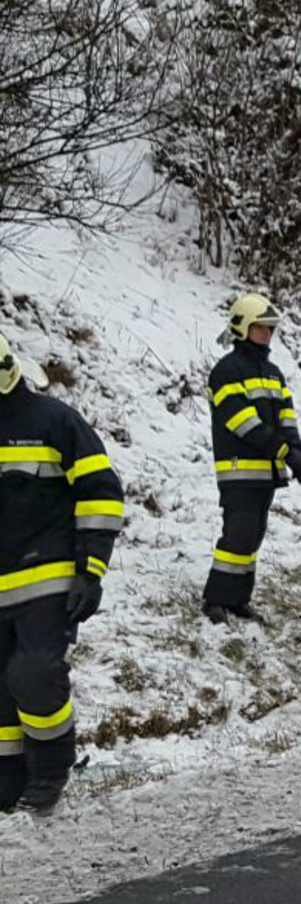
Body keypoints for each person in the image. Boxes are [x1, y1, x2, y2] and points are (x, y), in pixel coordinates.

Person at [0, 333, 124, 815]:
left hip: (46, 578)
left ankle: (51, 768)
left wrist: (90, 571)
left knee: (33, 673)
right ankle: (9, 779)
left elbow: (101, 493)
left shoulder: (54, 422)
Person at [202, 293, 301, 623]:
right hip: (238, 470)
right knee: (238, 534)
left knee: (253, 536)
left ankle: (238, 598)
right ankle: (215, 599)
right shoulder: (226, 371)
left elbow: (286, 418)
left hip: (266, 471)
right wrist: (284, 451)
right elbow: (244, 423)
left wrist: (298, 452)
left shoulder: (273, 373)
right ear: (242, 328)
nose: (266, 334)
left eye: (270, 329)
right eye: (260, 327)